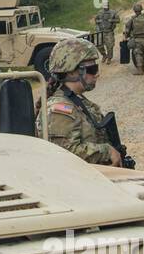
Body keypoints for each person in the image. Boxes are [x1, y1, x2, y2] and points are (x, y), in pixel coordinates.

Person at [45, 38, 123, 166]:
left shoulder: (77, 100)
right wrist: (106, 151)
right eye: (92, 69)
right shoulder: (59, 109)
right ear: (71, 72)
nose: (97, 74)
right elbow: (65, 152)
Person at [123, 4, 144, 76]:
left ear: (134, 10)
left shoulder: (132, 20)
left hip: (137, 40)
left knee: (138, 54)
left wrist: (126, 37)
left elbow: (127, 30)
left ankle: (140, 70)